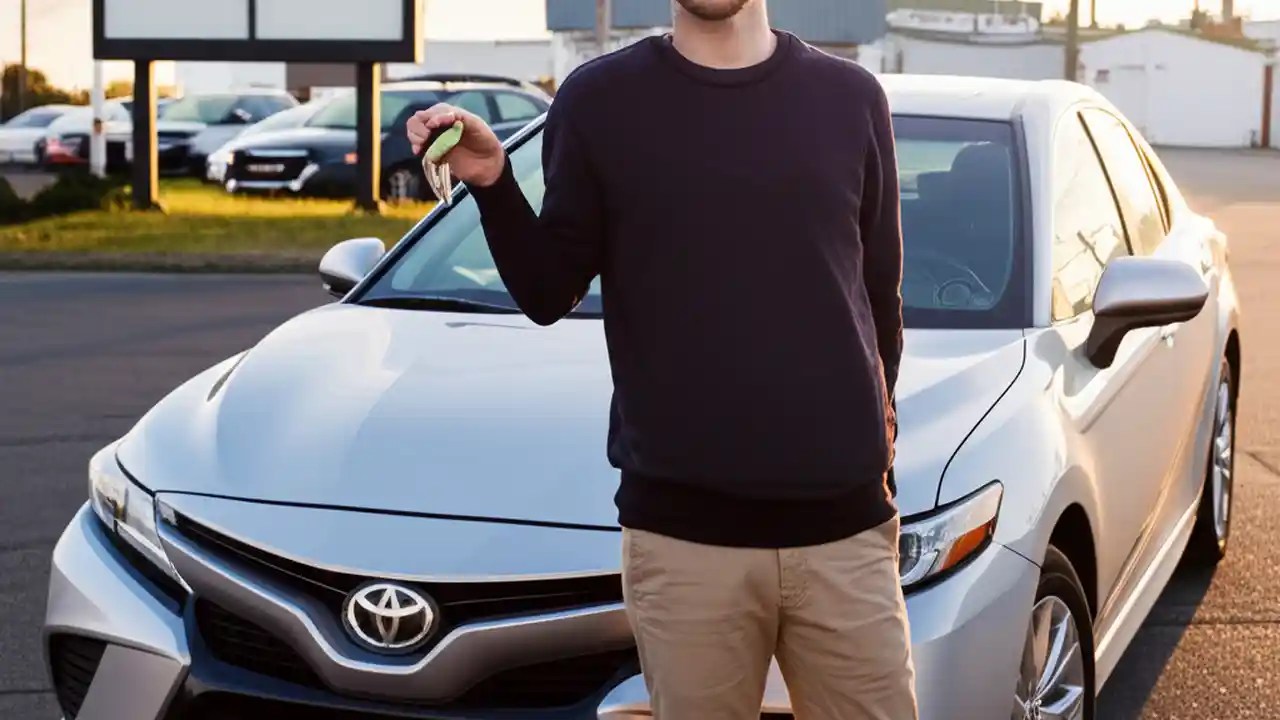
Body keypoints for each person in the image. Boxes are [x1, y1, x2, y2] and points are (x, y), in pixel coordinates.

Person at [406, 0, 914, 717]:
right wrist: (493, 181)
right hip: (683, 542)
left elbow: (878, 297)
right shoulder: (601, 100)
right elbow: (549, 290)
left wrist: (871, 453)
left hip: (846, 534)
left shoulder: (849, 97)